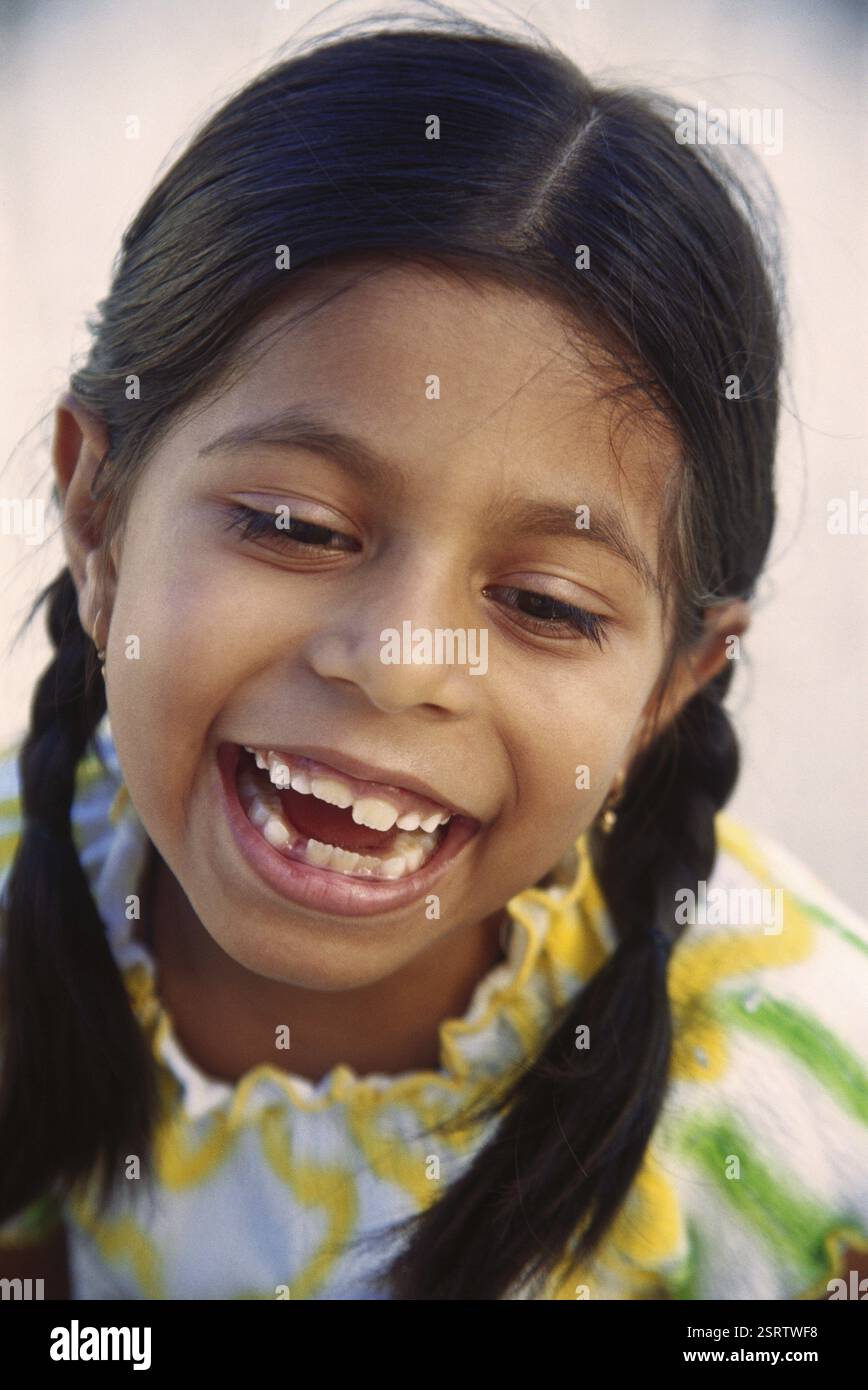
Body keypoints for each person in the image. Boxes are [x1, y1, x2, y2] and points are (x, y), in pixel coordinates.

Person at [1, 8, 866, 1300]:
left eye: (549, 603)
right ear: (96, 513)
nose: (401, 661)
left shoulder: (799, 1117)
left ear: (671, 691)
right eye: (294, 525)